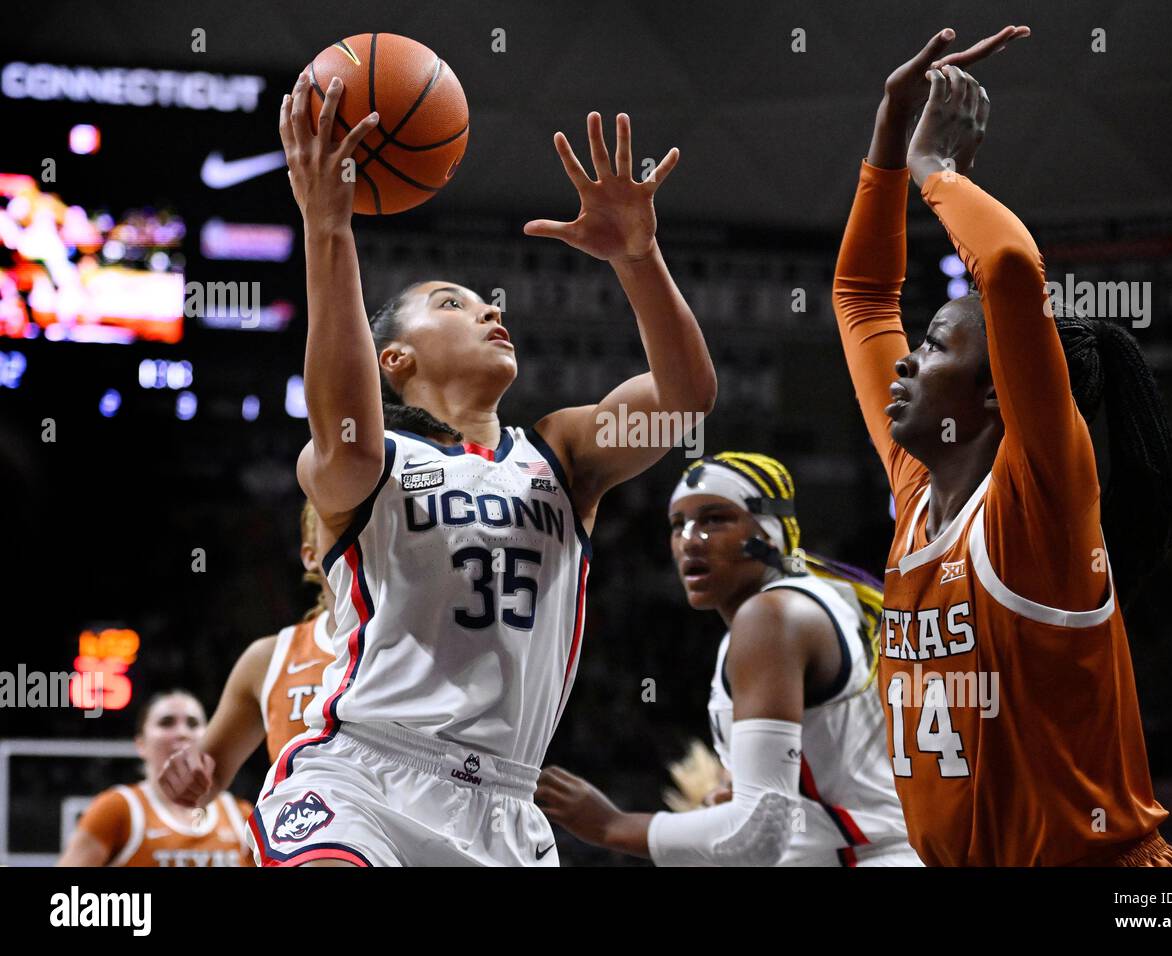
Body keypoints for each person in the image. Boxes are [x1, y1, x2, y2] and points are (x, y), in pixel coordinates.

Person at [245, 73, 716, 866]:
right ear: (394, 358)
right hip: (362, 780)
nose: (493, 311)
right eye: (454, 305)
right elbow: (347, 425)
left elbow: (685, 404)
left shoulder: (560, 453)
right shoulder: (368, 463)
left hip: (504, 805)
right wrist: (328, 226)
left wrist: (639, 257)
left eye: (487, 303)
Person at [832, 27, 1172, 865]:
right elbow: (860, 298)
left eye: (940, 345)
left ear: (999, 392)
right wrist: (886, 134)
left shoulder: (1040, 504)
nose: (909, 355)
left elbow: (1011, 271)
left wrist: (936, 171)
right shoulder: (917, 489)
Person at [538, 452, 920, 866]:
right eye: (678, 525)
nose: (690, 539)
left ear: (768, 532)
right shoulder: (819, 599)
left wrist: (611, 825)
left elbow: (758, 836)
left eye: (714, 519)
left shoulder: (770, 617)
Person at [158, 501, 334, 809]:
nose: (355, 537)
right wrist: (184, 776)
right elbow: (202, 783)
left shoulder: (431, 644)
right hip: (306, 842)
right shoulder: (269, 659)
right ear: (310, 554)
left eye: (366, 524)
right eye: (338, 525)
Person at [57, 690, 252, 867]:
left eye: (193, 723)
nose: (182, 733)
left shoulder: (240, 815)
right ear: (141, 744)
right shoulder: (117, 809)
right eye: (167, 722)